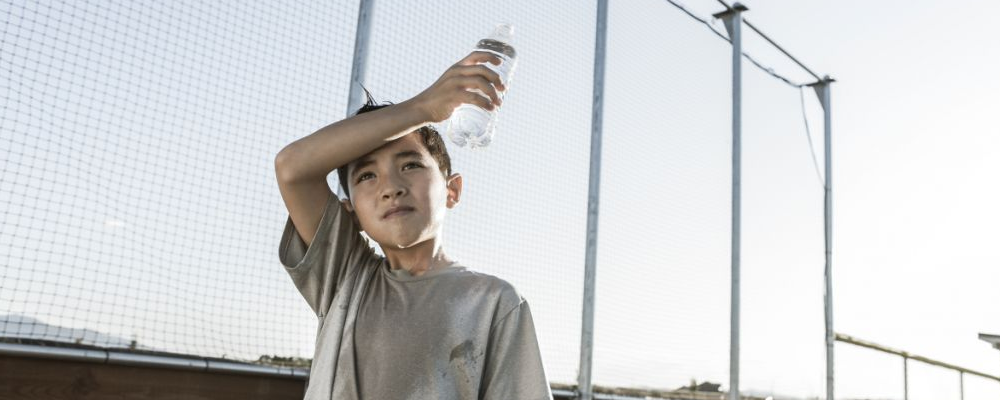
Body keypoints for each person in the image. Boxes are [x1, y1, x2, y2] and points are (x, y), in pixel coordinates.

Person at [274, 51, 552, 400]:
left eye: (410, 166)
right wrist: (424, 107)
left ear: (452, 189)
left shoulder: (496, 303)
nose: (391, 187)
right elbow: (292, 168)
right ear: (351, 212)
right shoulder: (344, 278)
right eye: (367, 176)